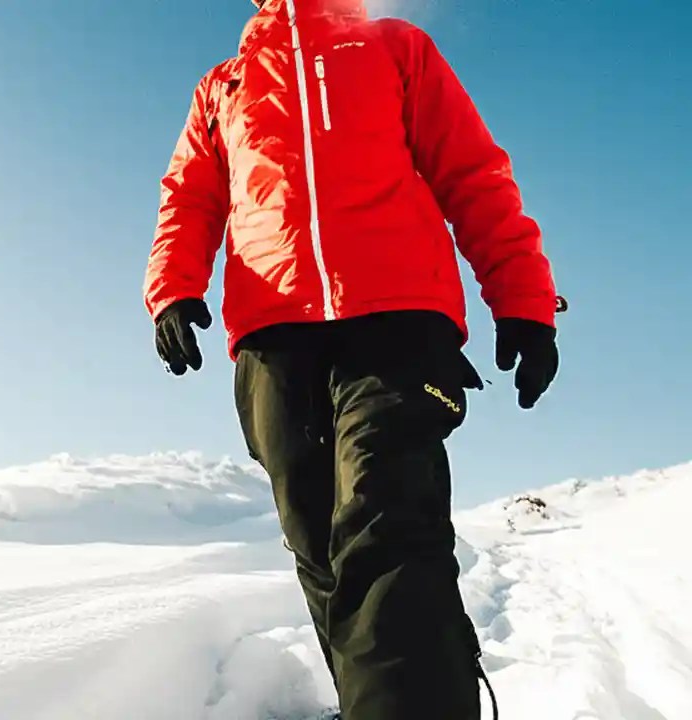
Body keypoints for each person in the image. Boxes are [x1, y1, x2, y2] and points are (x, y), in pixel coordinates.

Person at [143, 0, 562, 717]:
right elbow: (190, 195)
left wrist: (521, 296)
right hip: (274, 334)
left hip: (398, 321)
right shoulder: (225, 85)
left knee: (385, 513)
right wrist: (173, 287)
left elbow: (472, 172)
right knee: (318, 544)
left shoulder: (394, 48)